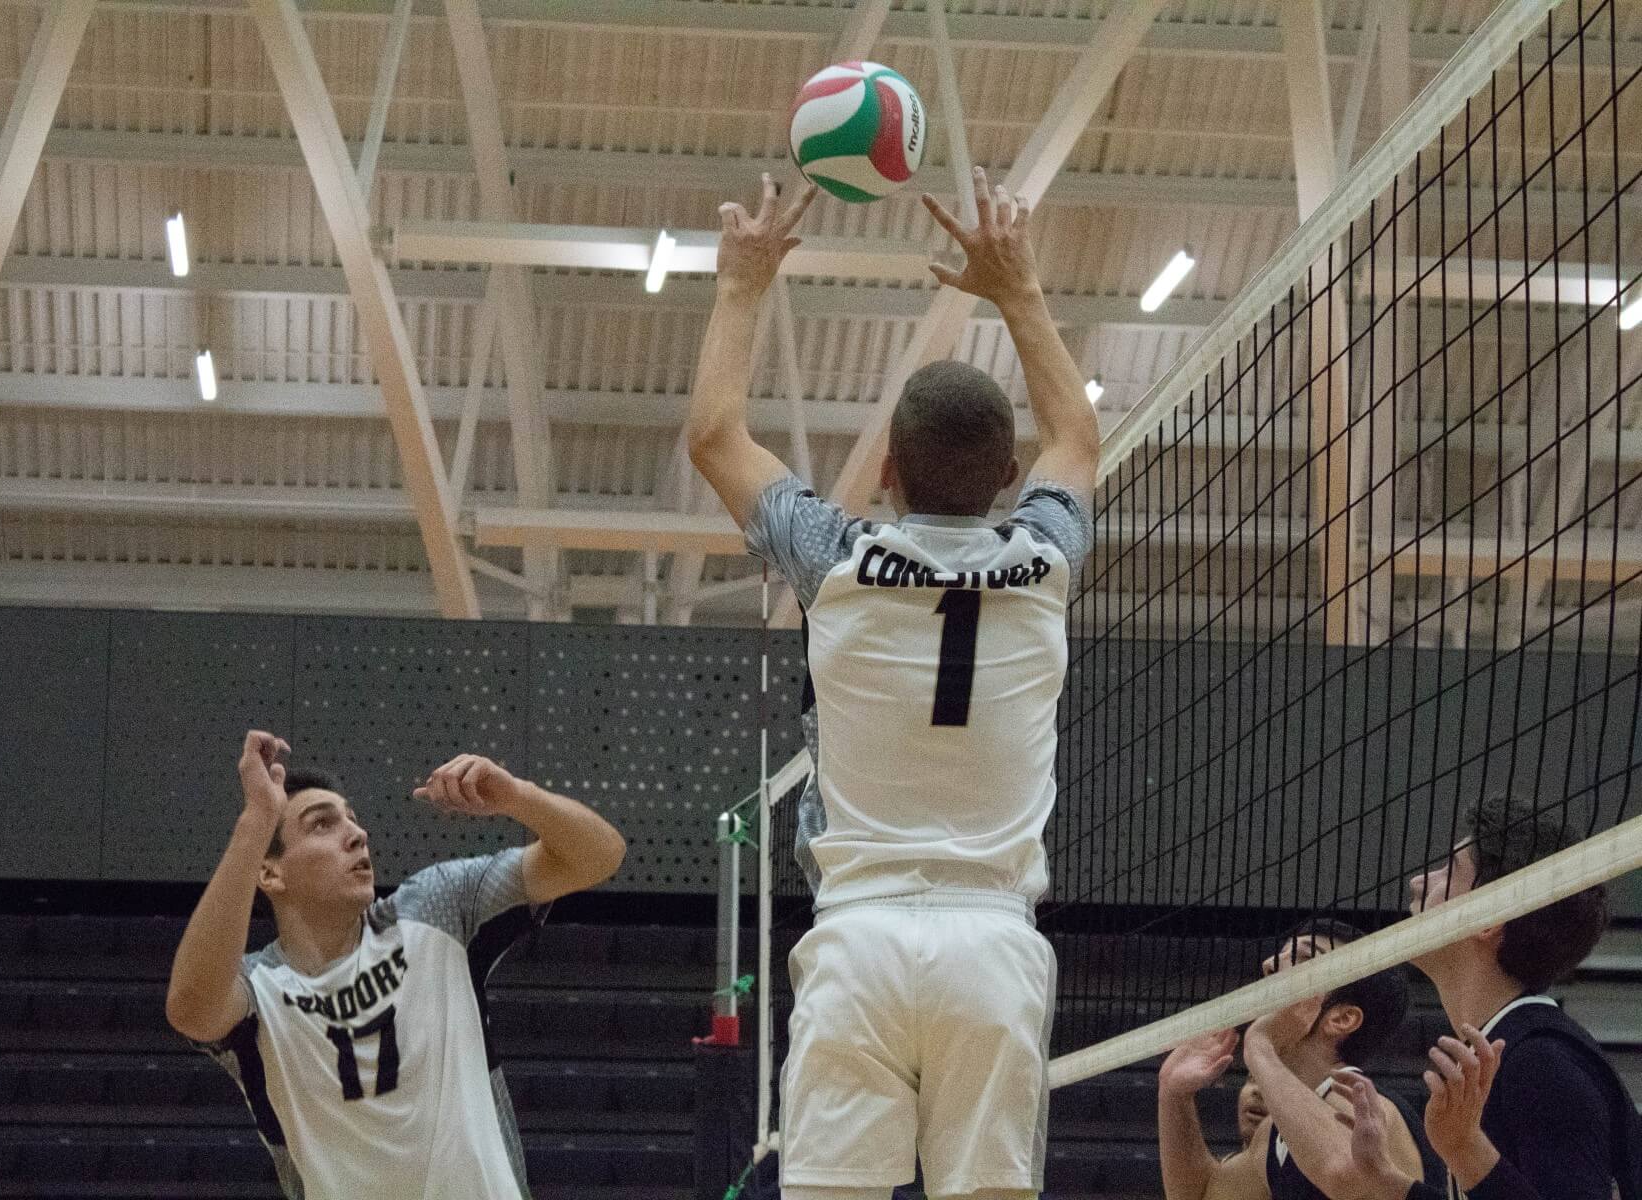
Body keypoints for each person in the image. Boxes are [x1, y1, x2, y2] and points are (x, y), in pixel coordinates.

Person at [687, 165, 1100, 1200]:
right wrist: (1017, 289)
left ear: (884, 475)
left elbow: (714, 437)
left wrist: (742, 283)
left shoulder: (834, 559)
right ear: (1008, 479)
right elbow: (1077, 438)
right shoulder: (1046, 558)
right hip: (992, 945)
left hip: (859, 939)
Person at [165, 731, 627, 1200]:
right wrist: (257, 820)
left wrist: (515, 796)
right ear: (269, 872)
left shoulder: (436, 907)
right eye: (322, 825)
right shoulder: (259, 989)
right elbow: (190, 1008)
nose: (357, 835)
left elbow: (599, 856)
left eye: (353, 820)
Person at [1322, 797, 1639, 1200]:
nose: (1418, 882)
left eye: (1449, 870)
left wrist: (1465, 1150)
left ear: (1487, 918)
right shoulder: (1507, 1049)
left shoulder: (1541, 1062)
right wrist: (1384, 1179)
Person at [1158, 920, 1441, 1200]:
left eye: (1304, 958)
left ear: (1342, 1018)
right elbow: (1200, 1196)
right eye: (1281, 954)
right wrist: (1174, 1095)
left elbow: (1344, 1174)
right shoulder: (1272, 1137)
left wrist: (1260, 1046)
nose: (1269, 964)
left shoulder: (1365, 1106)